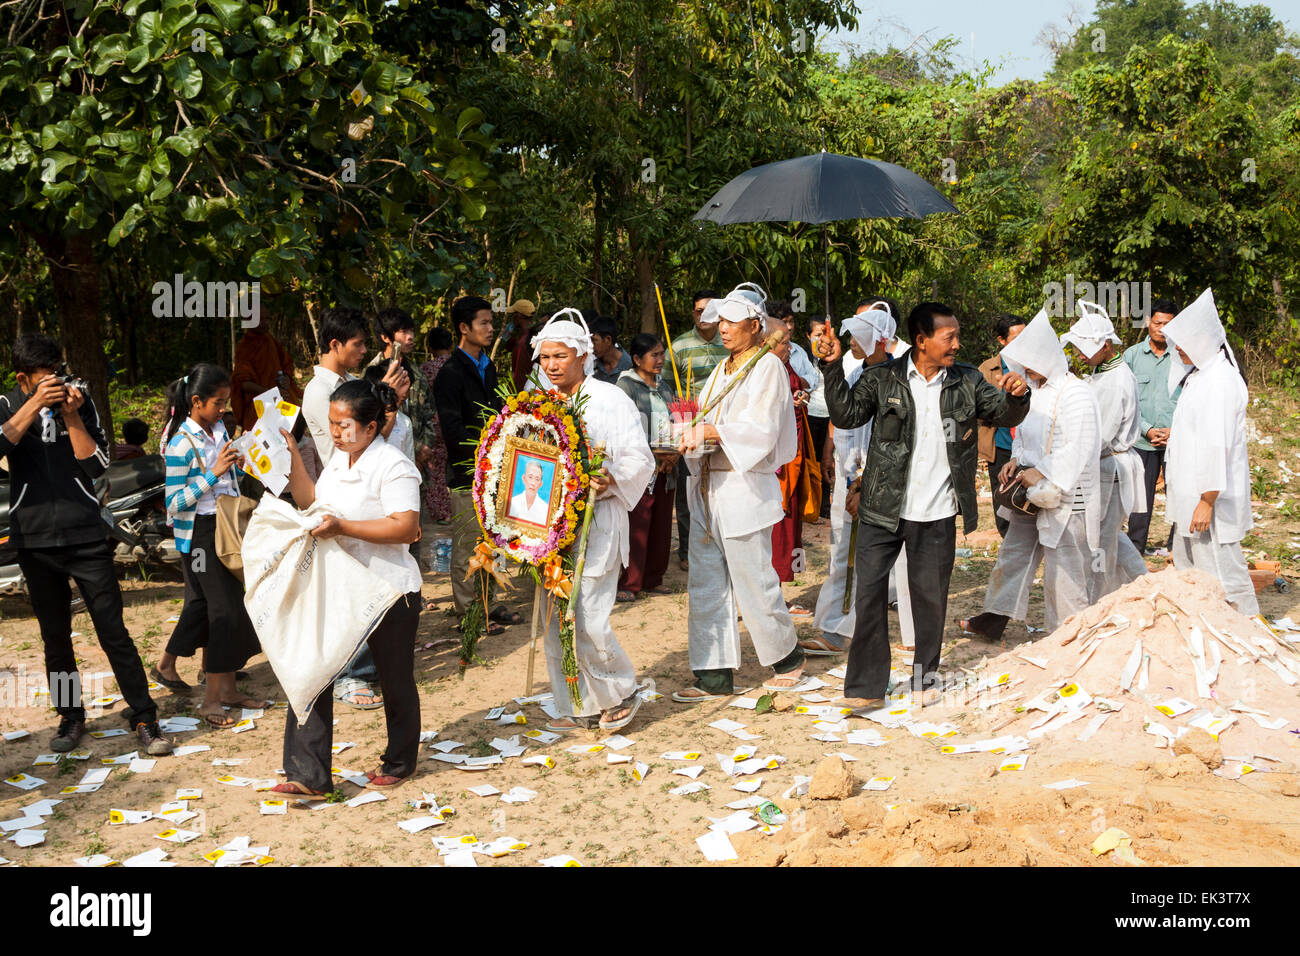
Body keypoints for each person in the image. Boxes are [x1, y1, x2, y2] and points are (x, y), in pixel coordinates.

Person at [815, 303, 1030, 710]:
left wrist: (1018, 396)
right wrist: (829, 366)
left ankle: (924, 677)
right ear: (921, 340)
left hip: (937, 512)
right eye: (948, 337)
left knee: (930, 599)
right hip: (881, 509)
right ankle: (865, 688)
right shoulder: (883, 377)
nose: (956, 344)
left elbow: (1001, 413)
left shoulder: (967, 380)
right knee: (870, 598)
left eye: (956, 335)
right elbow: (846, 416)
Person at [0, 334, 172, 755]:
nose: (57, 382)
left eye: (59, 373)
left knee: (112, 630)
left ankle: (145, 716)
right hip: (35, 538)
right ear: (24, 379)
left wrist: (72, 417)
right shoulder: (8, 405)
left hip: (86, 534)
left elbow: (97, 465)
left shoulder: (81, 402)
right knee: (54, 636)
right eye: (46, 379)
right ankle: (70, 716)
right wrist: (34, 405)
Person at [274, 378, 424, 793]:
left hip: (390, 590)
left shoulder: (394, 465)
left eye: (344, 426)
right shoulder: (340, 461)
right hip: (341, 585)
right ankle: (308, 774)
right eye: (332, 425)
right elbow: (314, 503)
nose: (337, 433)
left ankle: (400, 761)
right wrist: (292, 462)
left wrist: (343, 527)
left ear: (372, 427)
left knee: (394, 680)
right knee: (312, 670)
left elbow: (406, 527)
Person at [672, 285, 811, 702]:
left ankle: (788, 657)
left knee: (754, 581)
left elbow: (763, 430)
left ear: (755, 326)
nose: (724, 328)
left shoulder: (766, 367)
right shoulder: (721, 369)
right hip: (707, 485)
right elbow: (706, 416)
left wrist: (712, 431)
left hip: (743, 486)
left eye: (733, 321)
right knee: (707, 582)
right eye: (721, 321)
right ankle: (713, 673)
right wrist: (688, 433)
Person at [531, 310, 656, 731]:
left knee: (587, 613)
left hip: (597, 519)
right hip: (550, 527)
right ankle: (578, 704)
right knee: (556, 616)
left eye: (560, 356)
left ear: (583, 355)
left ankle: (620, 690)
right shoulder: (538, 402)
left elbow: (641, 458)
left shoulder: (610, 398)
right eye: (545, 357)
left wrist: (609, 479)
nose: (551, 365)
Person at [961, 309, 1102, 642]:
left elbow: (1078, 447)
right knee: (1012, 557)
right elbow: (1024, 433)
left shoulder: (1075, 393)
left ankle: (1067, 634)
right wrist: (1016, 462)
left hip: (1064, 495)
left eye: (1032, 363)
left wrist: (1041, 470)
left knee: (1063, 569)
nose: (1027, 371)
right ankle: (992, 621)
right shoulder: (1035, 391)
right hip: (1030, 490)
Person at [302, 308, 405, 711]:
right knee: (351, 588)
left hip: (366, 488)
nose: (364, 350)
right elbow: (345, 449)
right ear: (334, 345)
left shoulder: (347, 384)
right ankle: (351, 674)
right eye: (358, 344)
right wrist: (386, 410)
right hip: (343, 491)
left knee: (373, 580)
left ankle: (366, 666)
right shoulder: (319, 391)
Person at [158, 364, 265, 726]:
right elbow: (173, 503)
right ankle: (210, 701)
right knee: (221, 614)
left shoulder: (219, 431)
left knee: (236, 608)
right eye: (217, 403)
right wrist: (212, 473)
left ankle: (230, 691)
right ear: (196, 401)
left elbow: (229, 480)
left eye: (225, 402)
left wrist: (241, 460)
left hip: (229, 526)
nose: (223, 409)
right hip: (200, 536)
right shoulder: (179, 445)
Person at [806, 303, 895, 656]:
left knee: (867, 558)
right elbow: (842, 416)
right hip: (850, 474)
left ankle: (849, 630)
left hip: (874, 480)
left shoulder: (893, 377)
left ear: (878, 339)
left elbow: (887, 439)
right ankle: (832, 625)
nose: (851, 341)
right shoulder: (857, 372)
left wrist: (864, 483)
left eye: (859, 335)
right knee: (841, 550)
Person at [1163, 289, 1257, 614]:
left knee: (1223, 571)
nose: (1177, 350)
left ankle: (1248, 635)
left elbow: (1218, 444)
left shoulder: (1221, 381)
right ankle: (1205, 631)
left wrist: (1207, 500)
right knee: (1192, 571)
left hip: (1211, 496)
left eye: (1183, 342)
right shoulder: (1201, 377)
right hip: (1195, 492)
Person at [432, 295, 519, 634]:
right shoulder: (450, 374)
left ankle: (489, 602)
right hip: (468, 473)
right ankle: (468, 613)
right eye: (483, 322)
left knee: (494, 541)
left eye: (490, 322)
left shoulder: (489, 365)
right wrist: (481, 462)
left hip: (496, 471)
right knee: (469, 544)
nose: (490, 328)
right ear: (463, 328)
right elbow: (453, 431)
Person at [1060, 304, 1148, 600]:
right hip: (1104, 464)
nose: (1081, 354)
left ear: (1106, 345)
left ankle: (1101, 601)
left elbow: (1100, 434)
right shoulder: (1101, 373)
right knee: (1110, 535)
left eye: (1086, 348)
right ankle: (1144, 583)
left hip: (1110, 465)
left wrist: (1067, 458)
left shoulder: (1116, 379)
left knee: (1101, 542)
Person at [616, 334, 679, 601]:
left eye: (662, 354)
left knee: (663, 523)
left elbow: (676, 418)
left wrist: (673, 453)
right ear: (637, 359)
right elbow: (624, 428)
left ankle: (654, 578)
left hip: (668, 463)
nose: (660, 359)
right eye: (654, 355)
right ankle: (630, 583)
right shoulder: (626, 386)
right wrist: (652, 456)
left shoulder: (665, 386)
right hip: (641, 465)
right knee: (637, 524)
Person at [670, 289, 728, 571]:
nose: (702, 315)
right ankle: (686, 549)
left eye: (708, 310)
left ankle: (719, 542)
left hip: (724, 427)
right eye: (697, 310)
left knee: (722, 486)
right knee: (687, 488)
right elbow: (666, 386)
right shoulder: (679, 346)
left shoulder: (730, 345)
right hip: (689, 426)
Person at [1123, 298, 1182, 554]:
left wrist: (1175, 431)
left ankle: (1177, 548)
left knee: (1180, 494)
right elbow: (1125, 400)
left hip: (1177, 440)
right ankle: (1136, 547)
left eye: (1167, 324)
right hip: (1142, 439)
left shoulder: (1183, 357)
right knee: (1140, 499)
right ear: (1148, 322)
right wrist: (1147, 429)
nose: (1161, 328)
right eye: (1157, 322)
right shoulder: (1132, 356)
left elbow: (1191, 398)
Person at [768, 328, 813, 611]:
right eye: (784, 343)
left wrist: (799, 398)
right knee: (773, 527)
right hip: (774, 464)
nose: (790, 348)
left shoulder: (785, 368)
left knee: (788, 528)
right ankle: (768, 597)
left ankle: (777, 593)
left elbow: (800, 387)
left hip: (793, 456)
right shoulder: (763, 372)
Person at [769, 300, 823, 526]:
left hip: (797, 433)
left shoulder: (794, 354)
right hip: (775, 441)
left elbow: (809, 381)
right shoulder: (765, 364)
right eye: (784, 323)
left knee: (792, 504)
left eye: (791, 322)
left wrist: (800, 394)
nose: (789, 328)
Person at [978, 314, 1027, 537]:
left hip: (1031, 449)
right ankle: (1008, 546)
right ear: (1002, 340)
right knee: (1003, 506)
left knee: (1029, 503)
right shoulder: (987, 370)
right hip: (1002, 449)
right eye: (1017, 337)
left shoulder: (1034, 366)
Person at [231, 323, 302, 432]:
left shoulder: (270, 341)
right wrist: (270, 393)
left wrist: (286, 377)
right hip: (258, 405)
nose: (266, 323)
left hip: (281, 399)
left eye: (267, 319)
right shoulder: (245, 347)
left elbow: (286, 363)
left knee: (291, 434)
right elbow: (243, 383)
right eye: (261, 320)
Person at [418, 328, 454, 523]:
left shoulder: (425, 369)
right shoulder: (459, 367)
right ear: (450, 344)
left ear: (430, 347)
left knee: (436, 470)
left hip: (436, 424)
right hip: (457, 422)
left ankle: (442, 511)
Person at [362, 364, 415, 460]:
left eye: (406, 387)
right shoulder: (361, 418)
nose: (404, 393)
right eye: (397, 386)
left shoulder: (405, 422)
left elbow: (409, 460)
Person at [501, 299, 539, 391]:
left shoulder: (523, 343)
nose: (512, 317)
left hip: (522, 392)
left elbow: (519, 373)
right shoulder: (532, 337)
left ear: (518, 317)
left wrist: (511, 393)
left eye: (513, 314)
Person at [590, 316, 633, 384]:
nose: (590, 345)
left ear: (608, 340)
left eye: (594, 340)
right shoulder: (591, 367)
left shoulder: (630, 368)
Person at [509, 460, 551, 524]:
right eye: (530, 477)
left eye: (537, 479)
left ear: (540, 484)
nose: (533, 483)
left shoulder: (546, 510)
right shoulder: (512, 503)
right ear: (524, 478)